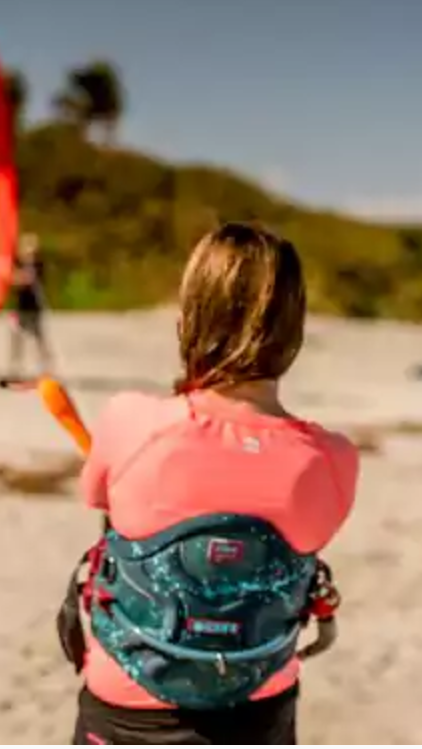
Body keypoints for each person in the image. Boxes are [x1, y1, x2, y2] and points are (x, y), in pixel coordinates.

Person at [61, 222, 360, 744]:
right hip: (258, 705)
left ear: (190, 318)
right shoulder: (333, 458)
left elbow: (97, 497)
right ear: (293, 329)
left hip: (129, 704)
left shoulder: (132, 420)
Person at [8, 232, 54, 377]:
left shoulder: (38, 265)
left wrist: (20, 277)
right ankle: (16, 366)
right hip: (20, 306)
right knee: (16, 336)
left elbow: (29, 280)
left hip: (34, 306)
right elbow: (13, 280)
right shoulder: (17, 263)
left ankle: (46, 365)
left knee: (39, 338)